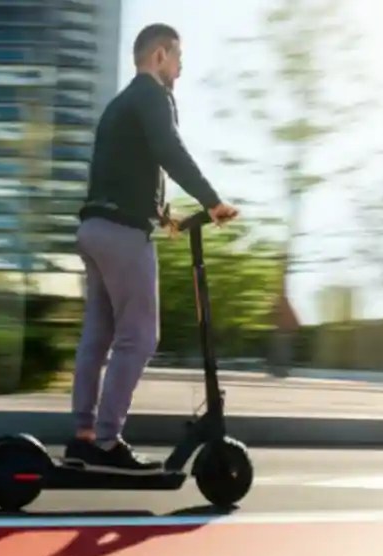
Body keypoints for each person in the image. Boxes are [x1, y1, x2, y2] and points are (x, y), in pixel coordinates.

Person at [65, 23, 239, 473]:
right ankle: (107, 441)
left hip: (95, 229)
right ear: (160, 55)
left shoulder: (119, 105)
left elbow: (125, 168)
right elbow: (169, 149)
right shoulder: (152, 95)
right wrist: (211, 201)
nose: (179, 71)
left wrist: (166, 218)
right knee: (140, 337)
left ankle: (84, 436)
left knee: (98, 337)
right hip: (123, 235)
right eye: (178, 60)